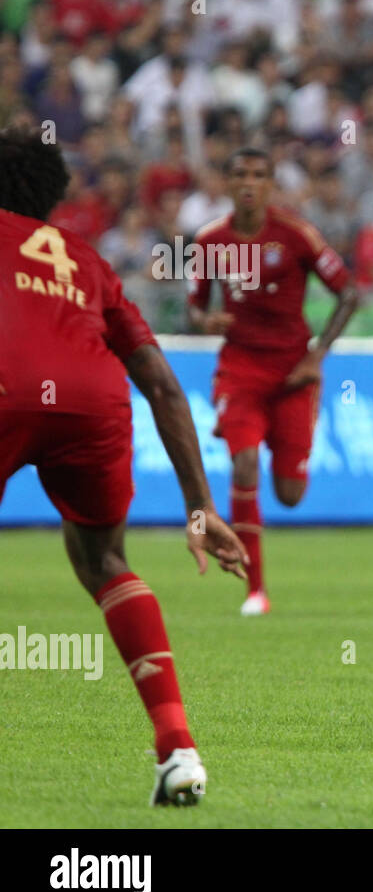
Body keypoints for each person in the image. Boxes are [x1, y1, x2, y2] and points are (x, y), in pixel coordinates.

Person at [0, 125, 247, 805]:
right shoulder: (83, 259)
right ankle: (178, 751)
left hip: (8, 389)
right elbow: (164, 386)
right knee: (106, 562)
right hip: (94, 400)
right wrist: (201, 509)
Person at [186, 148, 359, 616]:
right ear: (226, 183)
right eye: (239, 173)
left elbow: (348, 293)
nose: (249, 182)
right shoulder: (208, 241)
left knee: (289, 494)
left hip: (293, 372)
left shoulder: (296, 235)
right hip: (239, 370)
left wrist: (318, 356)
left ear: (270, 185)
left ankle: (303, 422)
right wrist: (205, 320)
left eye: (259, 175)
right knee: (244, 465)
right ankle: (254, 590)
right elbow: (194, 304)